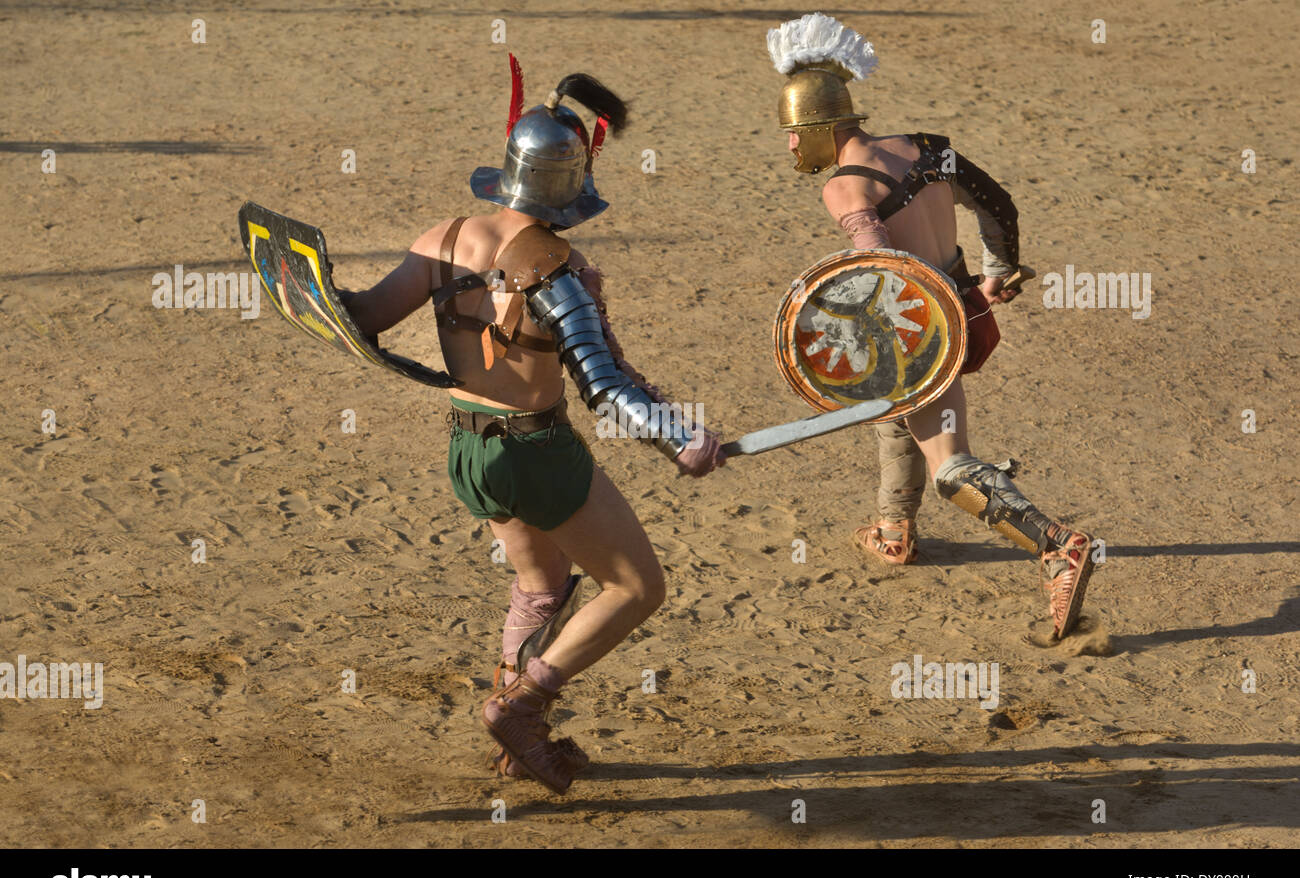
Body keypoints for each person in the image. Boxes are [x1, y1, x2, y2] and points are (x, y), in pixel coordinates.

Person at [342, 61, 724, 793]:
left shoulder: (440, 239)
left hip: (468, 450)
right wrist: (681, 437)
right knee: (639, 586)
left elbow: (363, 318)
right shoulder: (562, 270)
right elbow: (606, 388)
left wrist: (308, 283)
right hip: (536, 453)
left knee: (542, 584)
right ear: (570, 186)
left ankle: (519, 742)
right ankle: (525, 706)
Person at [767, 13, 1095, 638]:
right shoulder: (925, 146)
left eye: (792, 133)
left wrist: (850, 338)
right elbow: (996, 200)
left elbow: (878, 264)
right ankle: (894, 530)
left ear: (821, 127)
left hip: (920, 334)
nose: (788, 146)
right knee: (894, 412)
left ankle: (1057, 545)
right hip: (961, 306)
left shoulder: (844, 186)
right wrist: (999, 269)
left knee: (951, 467)